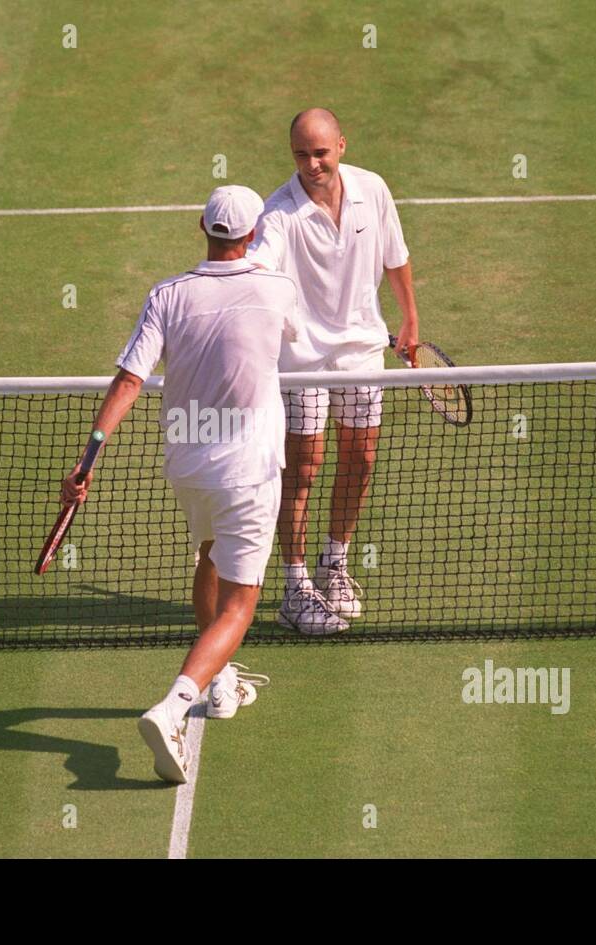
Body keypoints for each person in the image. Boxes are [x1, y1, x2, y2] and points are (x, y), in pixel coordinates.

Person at [60, 185, 297, 784]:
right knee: (241, 605)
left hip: (189, 466)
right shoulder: (276, 288)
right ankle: (174, 706)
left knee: (210, 554)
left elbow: (129, 382)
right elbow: (298, 341)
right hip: (248, 469)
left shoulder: (167, 294)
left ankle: (220, 683)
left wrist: (87, 460)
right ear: (251, 233)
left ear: (202, 226)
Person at [247, 108, 420, 634]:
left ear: (341, 145)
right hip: (302, 360)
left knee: (361, 458)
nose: (312, 163)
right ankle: (296, 586)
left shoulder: (373, 190)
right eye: (301, 154)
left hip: (363, 350)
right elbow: (258, 272)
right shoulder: (278, 215)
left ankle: (334, 564)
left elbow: (396, 256)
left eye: (320, 152)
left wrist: (410, 317)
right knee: (303, 468)